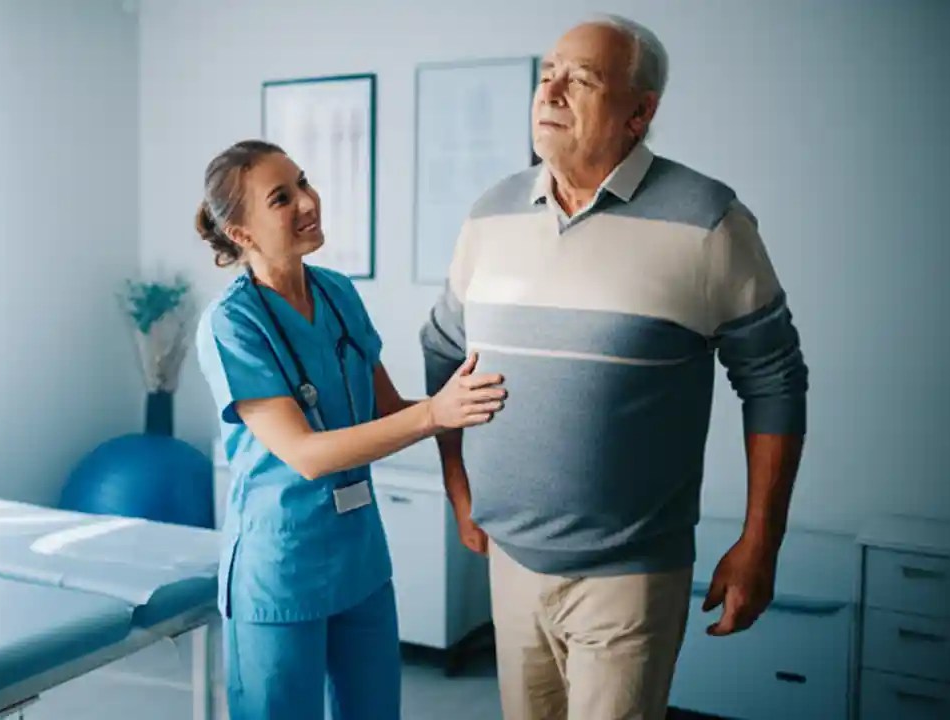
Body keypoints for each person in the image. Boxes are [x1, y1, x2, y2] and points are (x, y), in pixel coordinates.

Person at [419, 14, 809, 720]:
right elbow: (443, 351)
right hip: (510, 563)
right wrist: (458, 488)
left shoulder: (709, 220)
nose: (552, 91)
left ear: (640, 113)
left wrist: (761, 543)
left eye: (582, 79)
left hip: (630, 575)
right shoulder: (489, 214)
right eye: (546, 76)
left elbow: (775, 381)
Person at [194, 139, 507, 720]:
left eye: (304, 183)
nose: (309, 202)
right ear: (241, 232)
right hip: (281, 567)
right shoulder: (229, 325)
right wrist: (436, 412)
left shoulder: (337, 293)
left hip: (358, 558)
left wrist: (477, 403)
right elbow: (306, 455)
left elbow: (387, 410)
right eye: (282, 198)